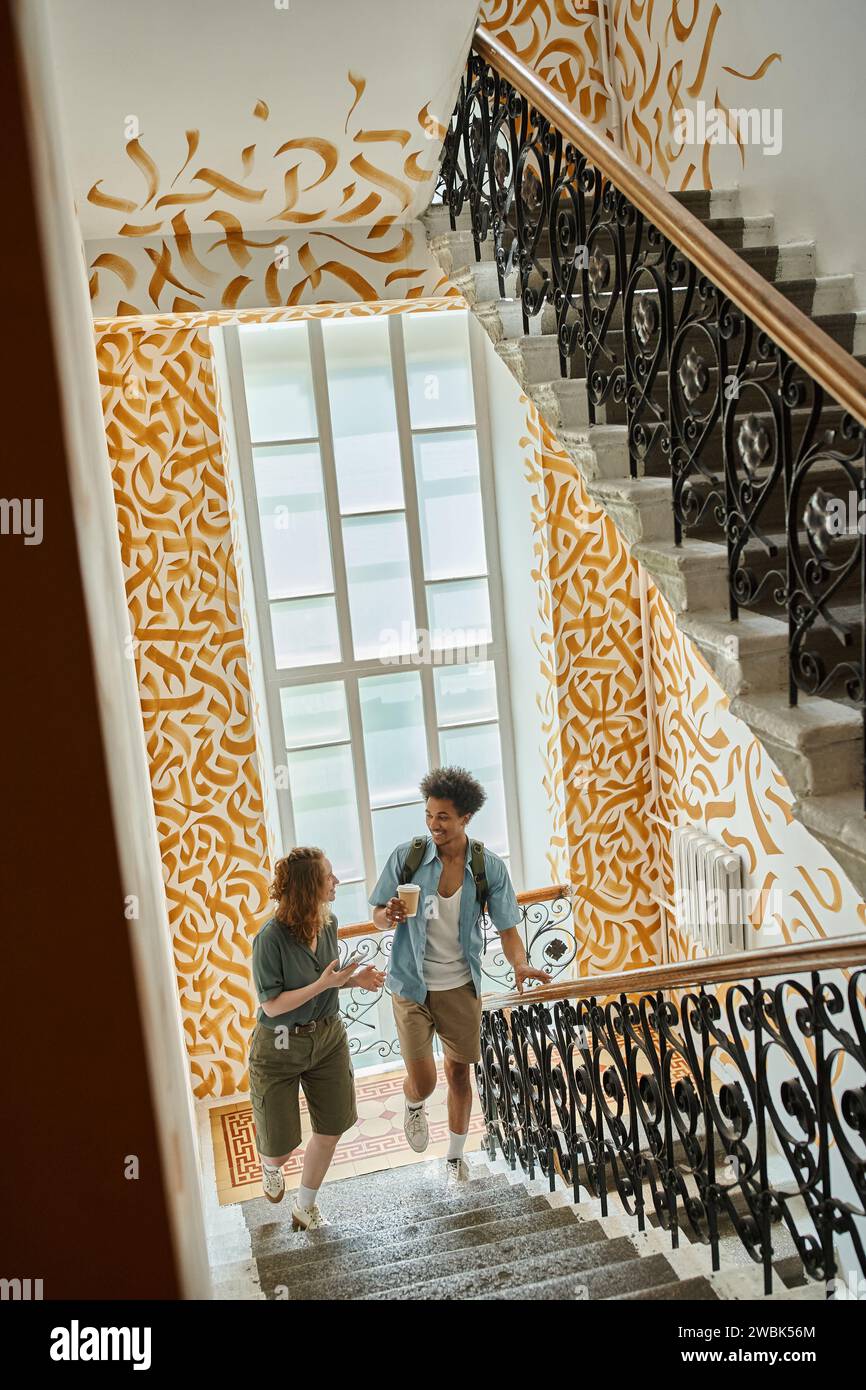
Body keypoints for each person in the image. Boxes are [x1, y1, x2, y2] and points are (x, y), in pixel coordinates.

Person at [370, 766, 551, 1187]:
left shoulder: (488, 868)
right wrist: (388, 915)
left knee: (458, 1074)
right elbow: (378, 914)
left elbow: (508, 930)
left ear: (465, 818)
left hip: (460, 986)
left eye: (444, 817)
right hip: (410, 984)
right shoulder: (408, 857)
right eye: (430, 815)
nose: (434, 824)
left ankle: (454, 1158)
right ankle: (413, 1103)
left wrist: (519, 963)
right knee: (425, 1080)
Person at [249, 846, 385, 1229]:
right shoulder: (269, 939)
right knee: (280, 1147)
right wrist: (325, 983)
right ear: (311, 888)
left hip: (327, 1038)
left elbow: (327, 979)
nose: (337, 881)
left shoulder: (329, 923)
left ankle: (305, 1205)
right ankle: (270, 1165)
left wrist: (352, 980)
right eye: (329, 876)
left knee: (331, 1127)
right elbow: (273, 1005)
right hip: (278, 1044)